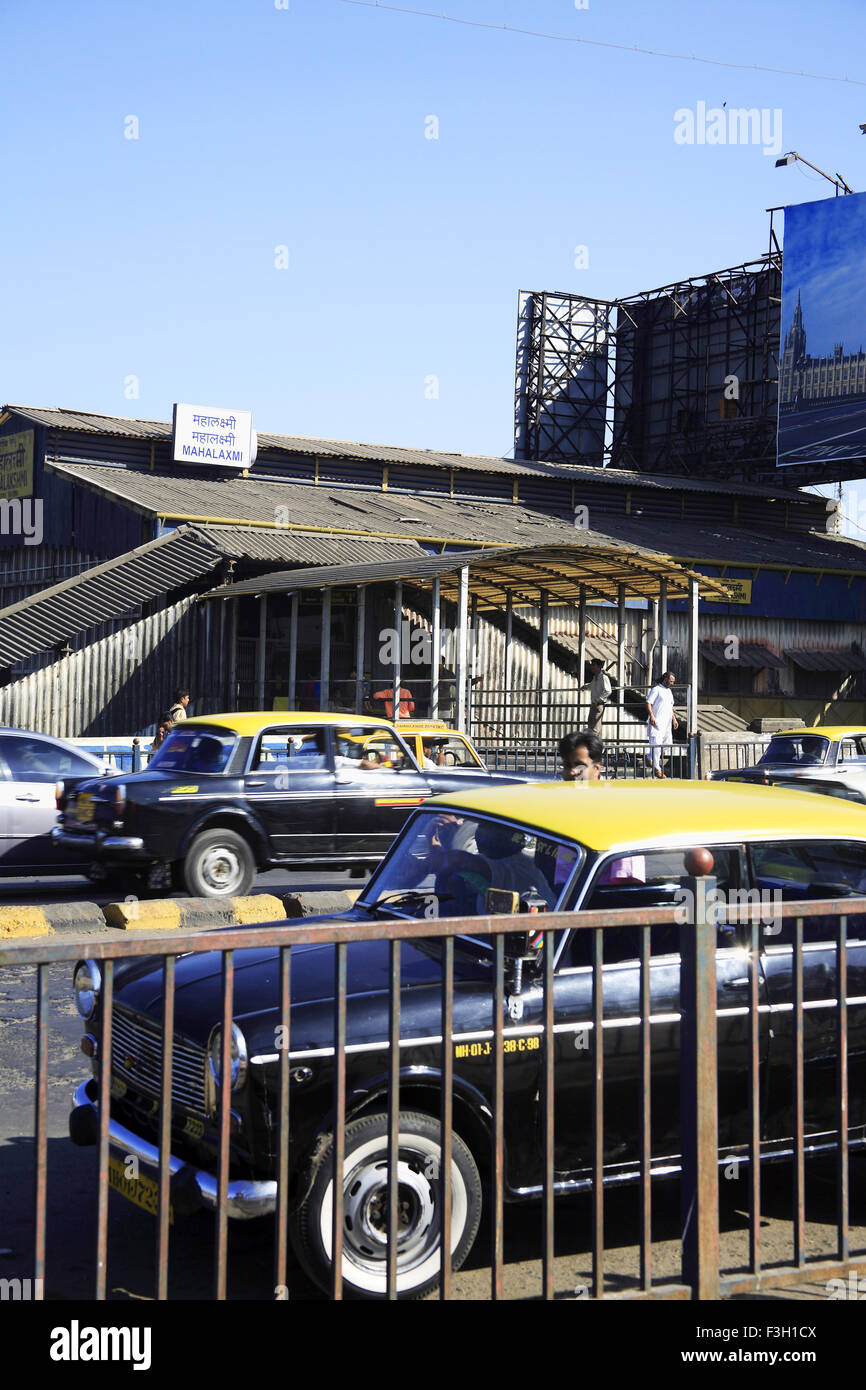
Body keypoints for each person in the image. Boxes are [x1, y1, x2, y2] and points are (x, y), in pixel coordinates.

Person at [646, 670, 678, 778]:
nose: (672, 684)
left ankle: (650, 757)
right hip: (657, 723)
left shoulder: (669, 692)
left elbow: (670, 707)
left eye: (673, 682)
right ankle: (657, 769)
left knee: (667, 743)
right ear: (665, 679)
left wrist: (674, 719)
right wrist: (651, 715)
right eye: (671, 681)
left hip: (667, 724)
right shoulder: (656, 689)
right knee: (657, 745)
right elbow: (648, 703)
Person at [582, 658, 613, 733]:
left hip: (598, 704)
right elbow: (591, 685)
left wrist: (598, 700)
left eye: (593, 665)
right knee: (590, 726)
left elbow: (608, 691)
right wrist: (584, 687)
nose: (592, 667)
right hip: (594, 704)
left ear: (599, 667)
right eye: (591, 665)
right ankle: (591, 743)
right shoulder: (595, 678)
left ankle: (594, 743)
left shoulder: (603, 678)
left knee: (595, 728)